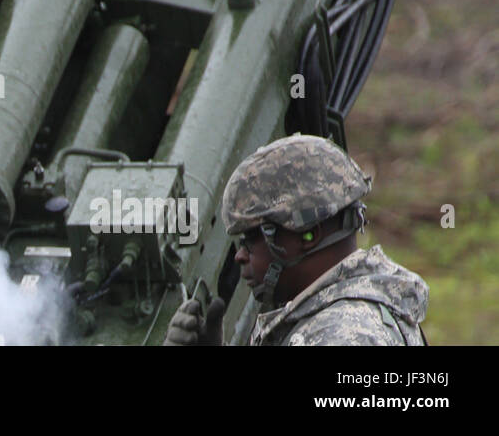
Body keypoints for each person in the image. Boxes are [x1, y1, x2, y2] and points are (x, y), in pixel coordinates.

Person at [163, 133, 427, 346]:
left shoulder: (341, 335)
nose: (240, 255)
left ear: (308, 235)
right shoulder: (340, 320)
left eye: (253, 238)